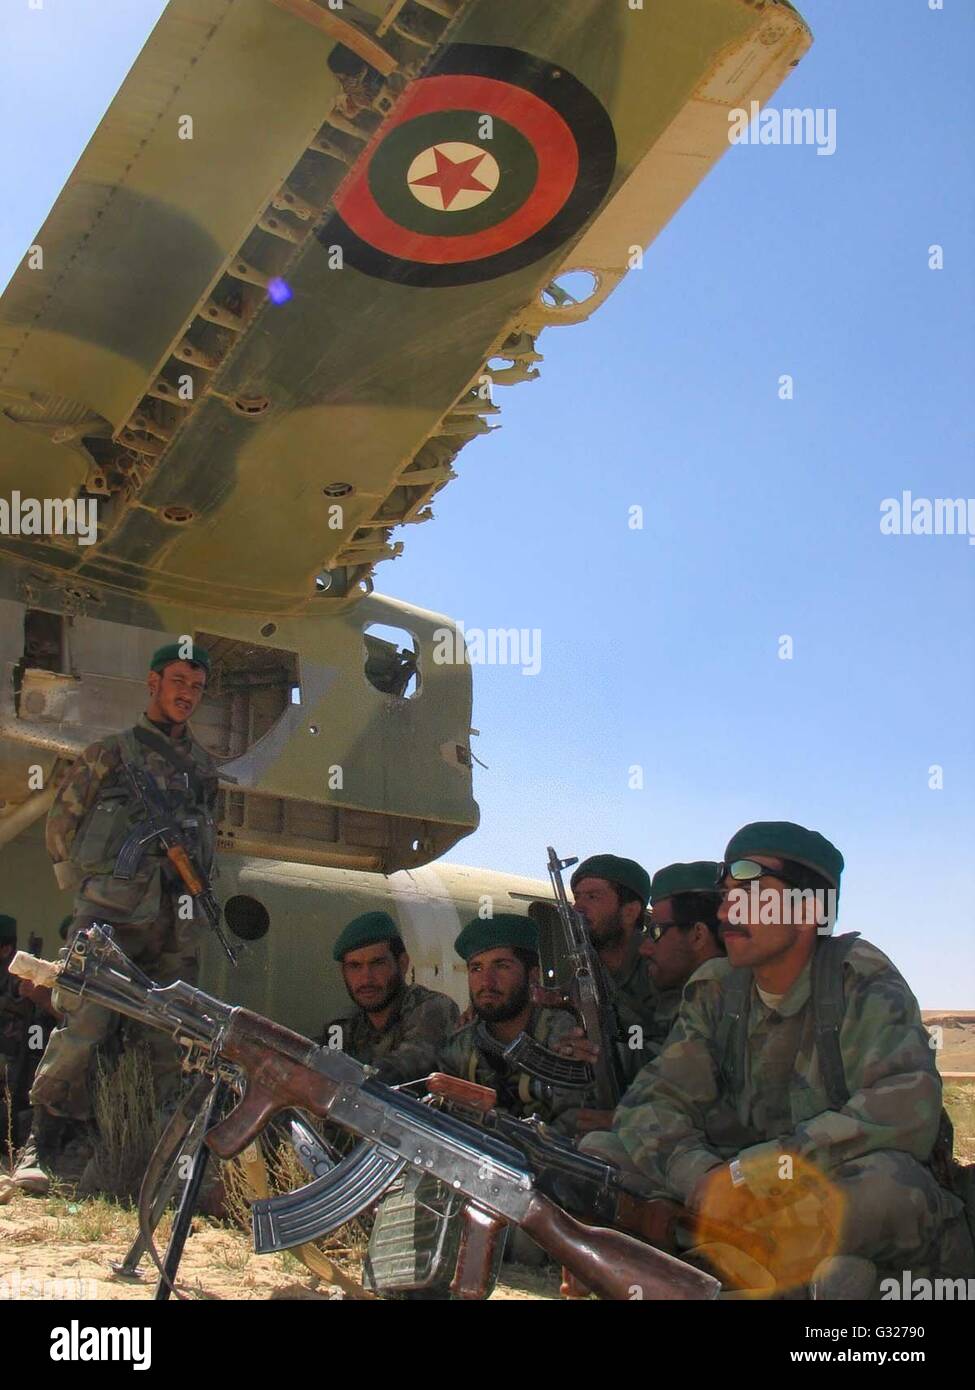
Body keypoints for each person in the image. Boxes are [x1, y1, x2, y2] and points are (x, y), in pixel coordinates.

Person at [583, 821, 975, 1297]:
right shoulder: (716, 989)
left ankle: (715, 1265)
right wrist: (702, 1175)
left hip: (836, 1193)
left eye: (749, 891)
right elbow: (650, 1103)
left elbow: (904, 1112)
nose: (728, 906)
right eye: (725, 892)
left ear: (809, 909)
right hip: (742, 1198)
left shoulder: (858, 977)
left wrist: (755, 1172)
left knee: (888, 1184)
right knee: (602, 1153)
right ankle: (771, 1271)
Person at [14, 642, 218, 1193]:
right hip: (110, 918)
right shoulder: (110, 755)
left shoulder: (203, 771)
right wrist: (89, 890)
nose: (187, 694)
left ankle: (155, 1164)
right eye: (179, 681)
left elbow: (206, 845)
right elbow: (62, 825)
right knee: (83, 1024)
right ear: (153, 684)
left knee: (170, 1041)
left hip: (175, 924)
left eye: (197, 686)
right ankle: (42, 1145)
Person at [438, 914, 593, 1135]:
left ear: (532, 975)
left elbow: (575, 1120)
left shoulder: (564, 1035)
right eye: (476, 969)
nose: (487, 982)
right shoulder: (458, 1049)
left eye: (501, 966)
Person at [324, 911, 459, 1082]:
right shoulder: (347, 1026)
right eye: (355, 966)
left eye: (378, 963)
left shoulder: (433, 1008)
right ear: (343, 972)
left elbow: (408, 1066)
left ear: (402, 964)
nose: (366, 978)